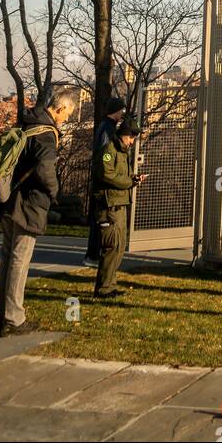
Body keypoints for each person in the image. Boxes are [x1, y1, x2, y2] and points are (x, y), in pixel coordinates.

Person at [0, 86, 78, 337]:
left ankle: (2, 315)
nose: (67, 119)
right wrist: (55, 191)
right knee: (19, 262)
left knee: (7, 259)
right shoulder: (46, 134)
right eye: (68, 114)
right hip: (29, 205)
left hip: (10, 200)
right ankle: (14, 318)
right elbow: (44, 169)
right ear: (60, 107)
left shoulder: (28, 123)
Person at [91, 116, 142, 300]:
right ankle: (103, 288)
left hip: (119, 203)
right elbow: (107, 174)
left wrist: (133, 179)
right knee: (111, 247)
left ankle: (110, 285)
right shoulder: (109, 150)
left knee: (119, 248)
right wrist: (129, 182)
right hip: (109, 205)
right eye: (131, 137)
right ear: (124, 135)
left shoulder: (122, 152)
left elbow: (119, 175)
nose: (132, 141)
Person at [83, 95, 126, 265]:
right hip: (103, 181)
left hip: (100, 179)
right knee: (100, 221)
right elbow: (105, 154)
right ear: (116, 111)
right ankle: (93, 255)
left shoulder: (105, 126)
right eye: (121, 110)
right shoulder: (108, 129)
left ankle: (93, 254)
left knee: (99, 220)